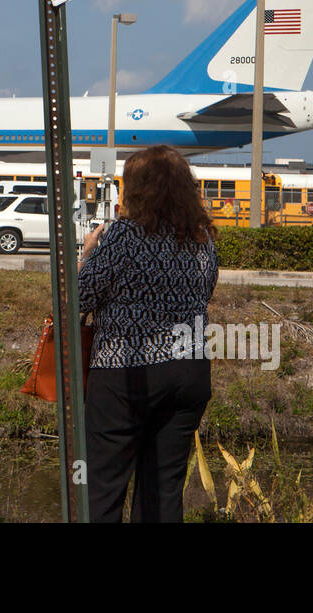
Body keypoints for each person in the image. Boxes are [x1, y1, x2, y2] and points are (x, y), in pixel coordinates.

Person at [77, 144, 218, 523]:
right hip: (189, 372)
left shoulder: (125, 234)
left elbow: (80, 297)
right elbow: (204, 293)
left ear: (136, 189)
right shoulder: (203, 238)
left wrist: (86, 255)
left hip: (127, 371)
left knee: (103, 485)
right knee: (163, 489)